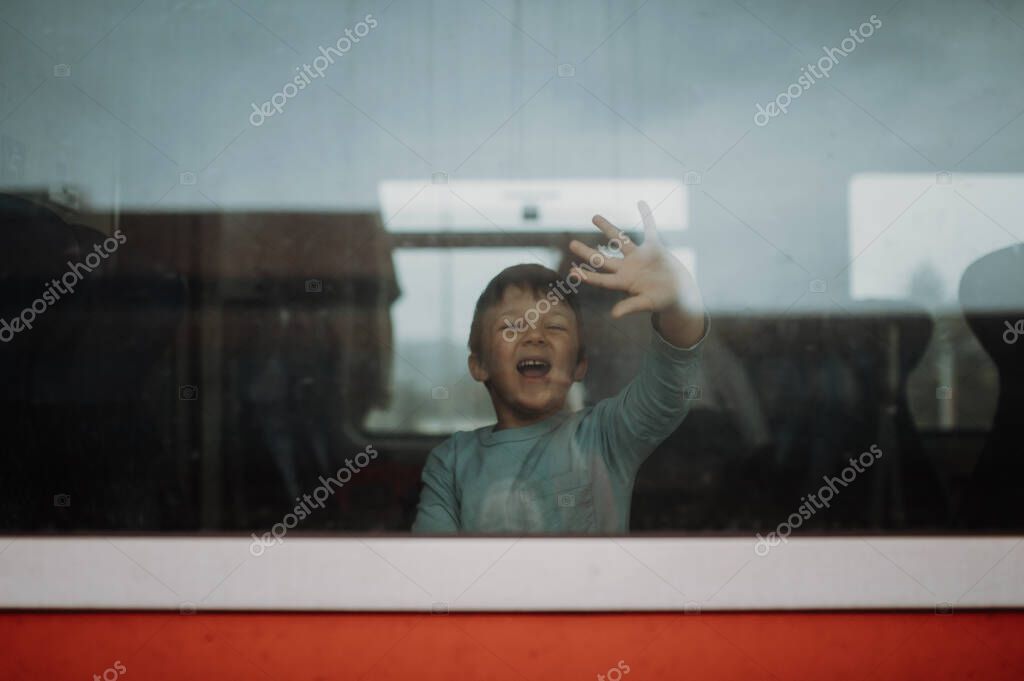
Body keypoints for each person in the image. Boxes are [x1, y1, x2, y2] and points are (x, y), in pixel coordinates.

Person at [411, 202, 708, 533]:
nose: (534, 336)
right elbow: (433, 562)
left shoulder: (604, 436)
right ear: (479, 365)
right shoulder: (452, 462)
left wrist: (679, 301)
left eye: (554, 327)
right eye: (511, 327)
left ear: (580, 365)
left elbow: (668, 388)